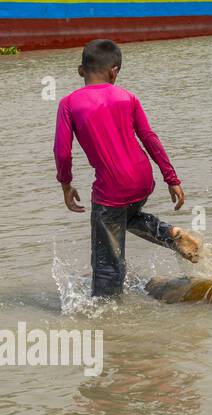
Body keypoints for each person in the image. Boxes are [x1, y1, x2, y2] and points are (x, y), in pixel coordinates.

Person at [54, 39, 201, 297]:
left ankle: (109, 323)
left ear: (80, 70)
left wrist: (66, 184)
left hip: (111, 187)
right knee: (126, 216)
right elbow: (149, 137)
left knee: (106, 265)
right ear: (115, 70)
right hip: (142, 179)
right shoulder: (128, 97)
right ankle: (171, 234)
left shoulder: (69, 103)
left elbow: (62, 151)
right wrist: (171, 178)